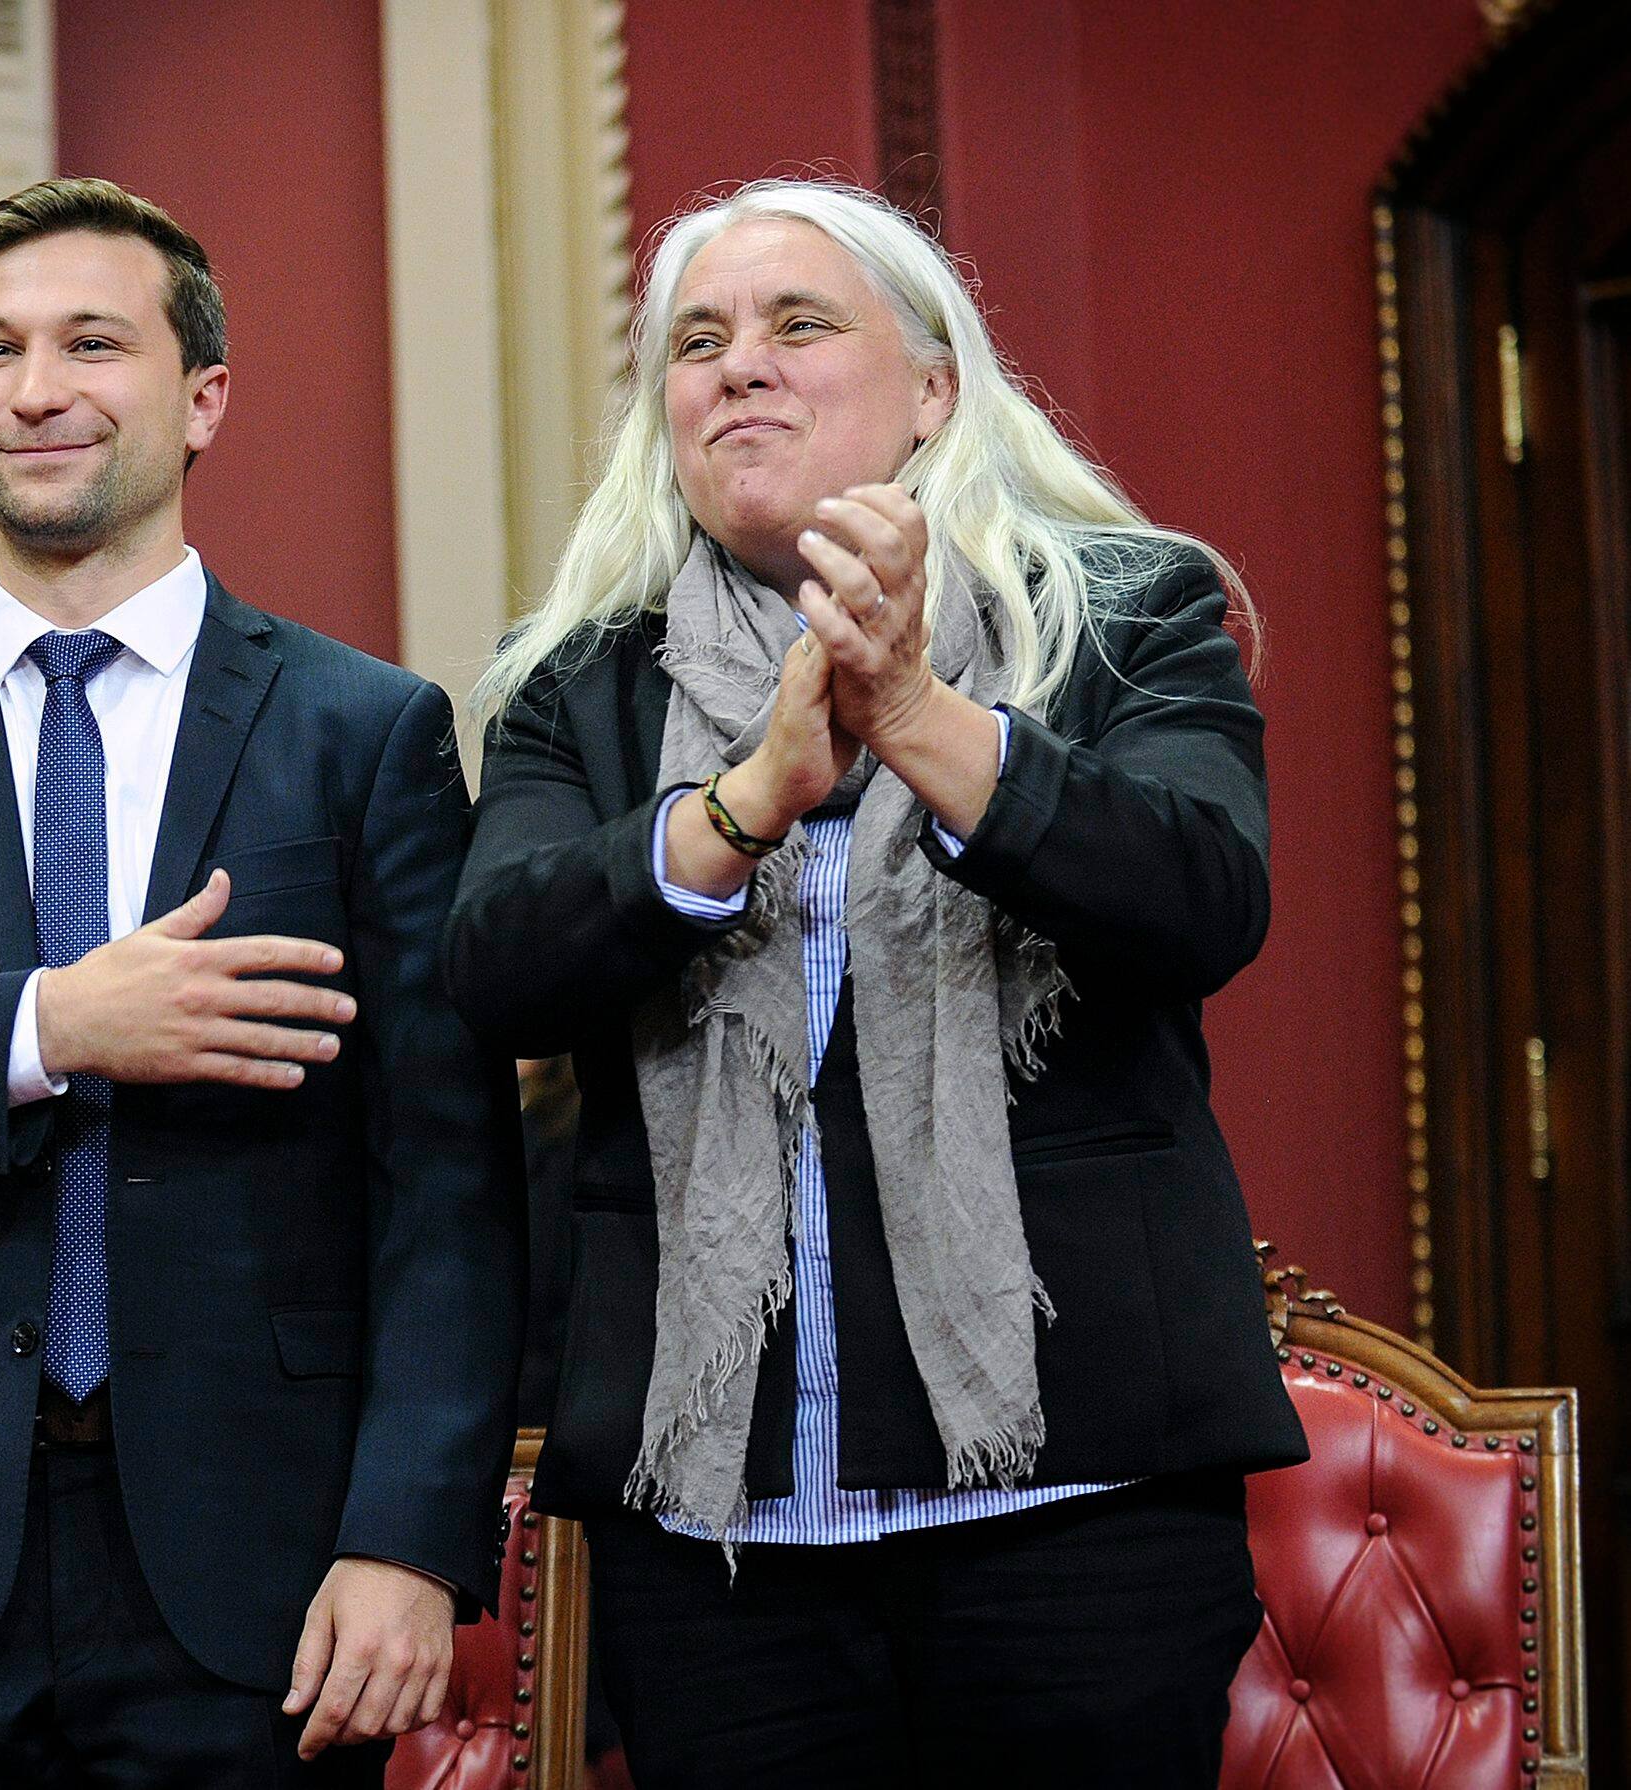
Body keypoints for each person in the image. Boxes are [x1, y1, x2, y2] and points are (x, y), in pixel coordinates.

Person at [0, 176, 522, 1789]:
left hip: (264, 1570)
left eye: (89, 343)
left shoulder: (365, 732)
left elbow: (451, 1181)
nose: (34, 388)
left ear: (202, 400)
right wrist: (47, 1026)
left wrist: (411, 1536)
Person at [445, 177, 1308, 1788]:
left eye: (797, 324)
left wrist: (914, 711)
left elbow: (1200, 894)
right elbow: (498, 974)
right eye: (697, 341)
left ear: (932, 389)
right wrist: (741, 803)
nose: (739, 365)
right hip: (722, 1545)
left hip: (1078, 1500)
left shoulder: (1120, 616)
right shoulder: (579, 684)